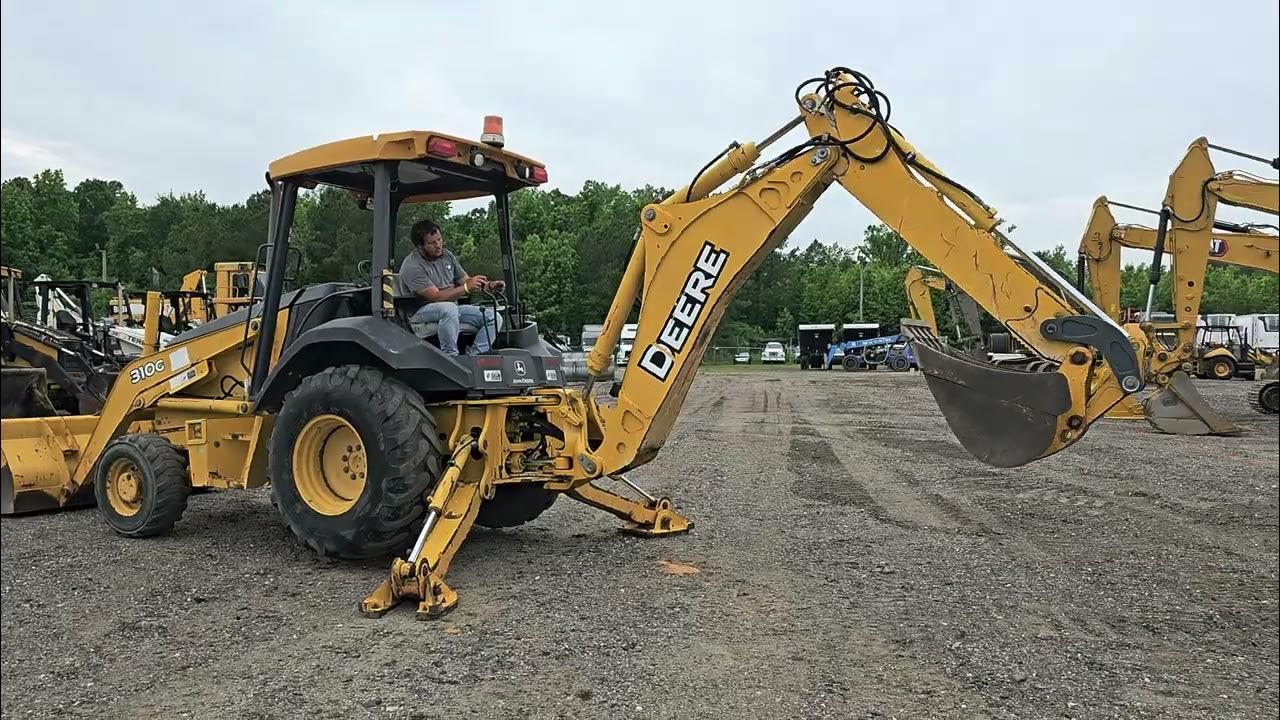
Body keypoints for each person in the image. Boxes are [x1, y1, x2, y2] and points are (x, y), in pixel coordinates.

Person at [398, 219, 503, 356]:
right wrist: (466, 288)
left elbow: (466, 281)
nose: (438, 245)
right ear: (419, 246)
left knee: (493, 317)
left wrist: (489, 286)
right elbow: (436, 297)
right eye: (432, 243)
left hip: (452, 308)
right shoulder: (412, 266)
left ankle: (475, 355)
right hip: (421, 312)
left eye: (439, 239)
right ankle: (451, 357)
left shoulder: (447, 256)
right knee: (449, 308)